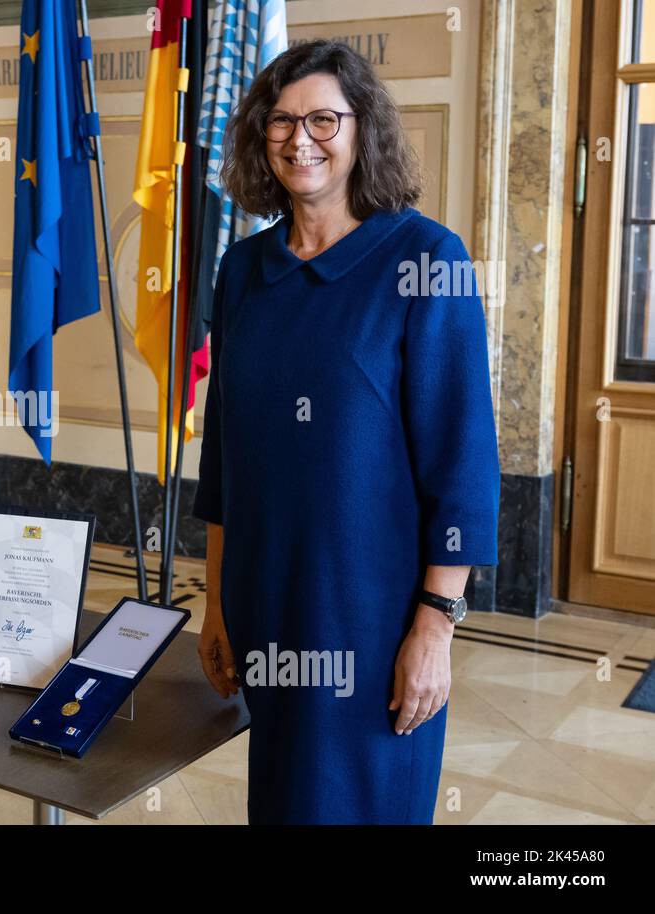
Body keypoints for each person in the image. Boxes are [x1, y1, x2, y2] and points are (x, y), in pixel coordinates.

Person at [192, 39, 500, 824]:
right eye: (283, 121)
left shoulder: (429, 260)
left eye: (324, 119)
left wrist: (438, 624)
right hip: (267, 606)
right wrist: (218, 603)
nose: (302, 139)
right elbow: (223, 457)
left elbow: (462, 462)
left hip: (372, 623)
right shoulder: (242, 270)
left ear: (364, 129)